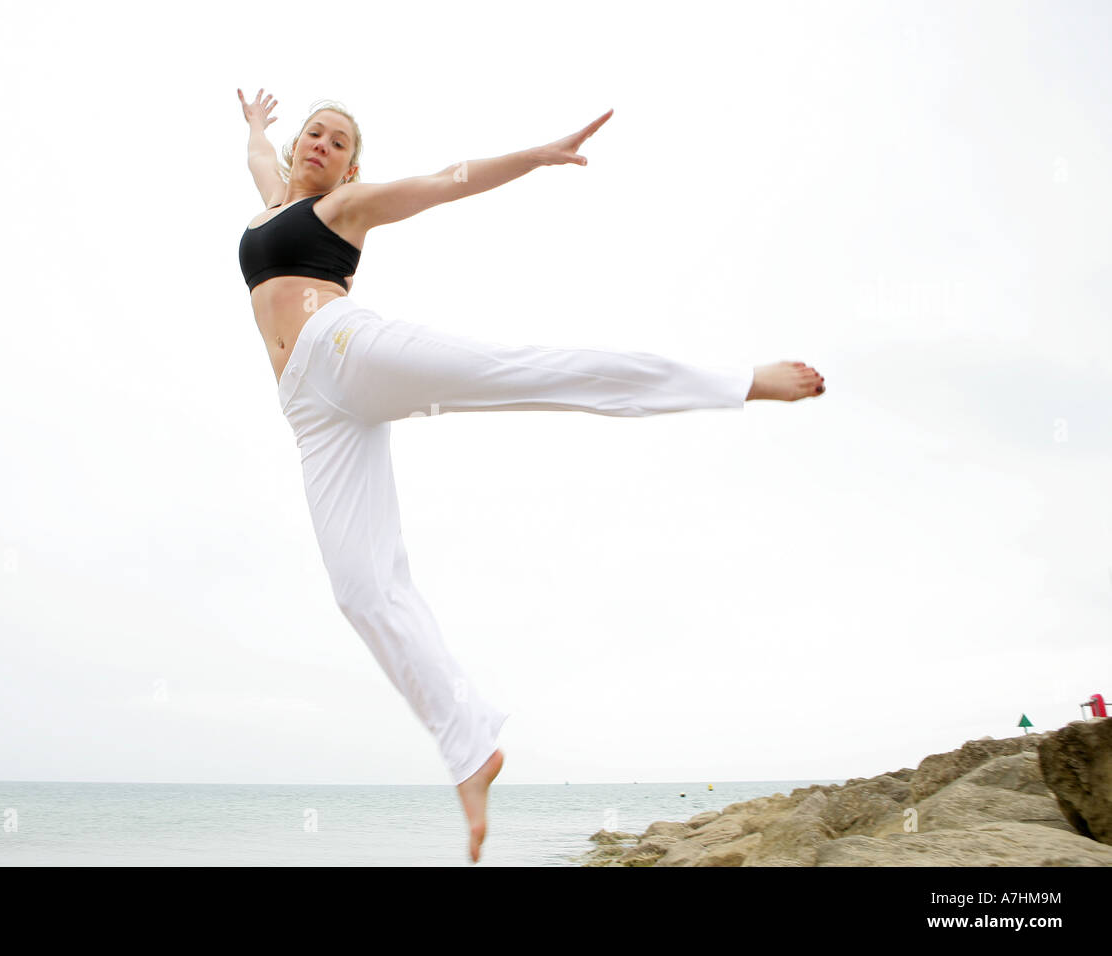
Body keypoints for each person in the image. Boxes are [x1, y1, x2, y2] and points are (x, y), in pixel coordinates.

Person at [236, 88, 826, 863]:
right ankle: (471, 748)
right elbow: (258, 156)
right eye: (313, 133)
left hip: (343, 349)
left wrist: (536, 156)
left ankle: (738, 379)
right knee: (361, 587)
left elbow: (451, 180)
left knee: (522, 371)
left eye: (339, 140)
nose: (321, 143)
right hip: (310, 413)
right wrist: (255, 125)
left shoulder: (345, 209)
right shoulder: (267, 204)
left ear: (352, 166)